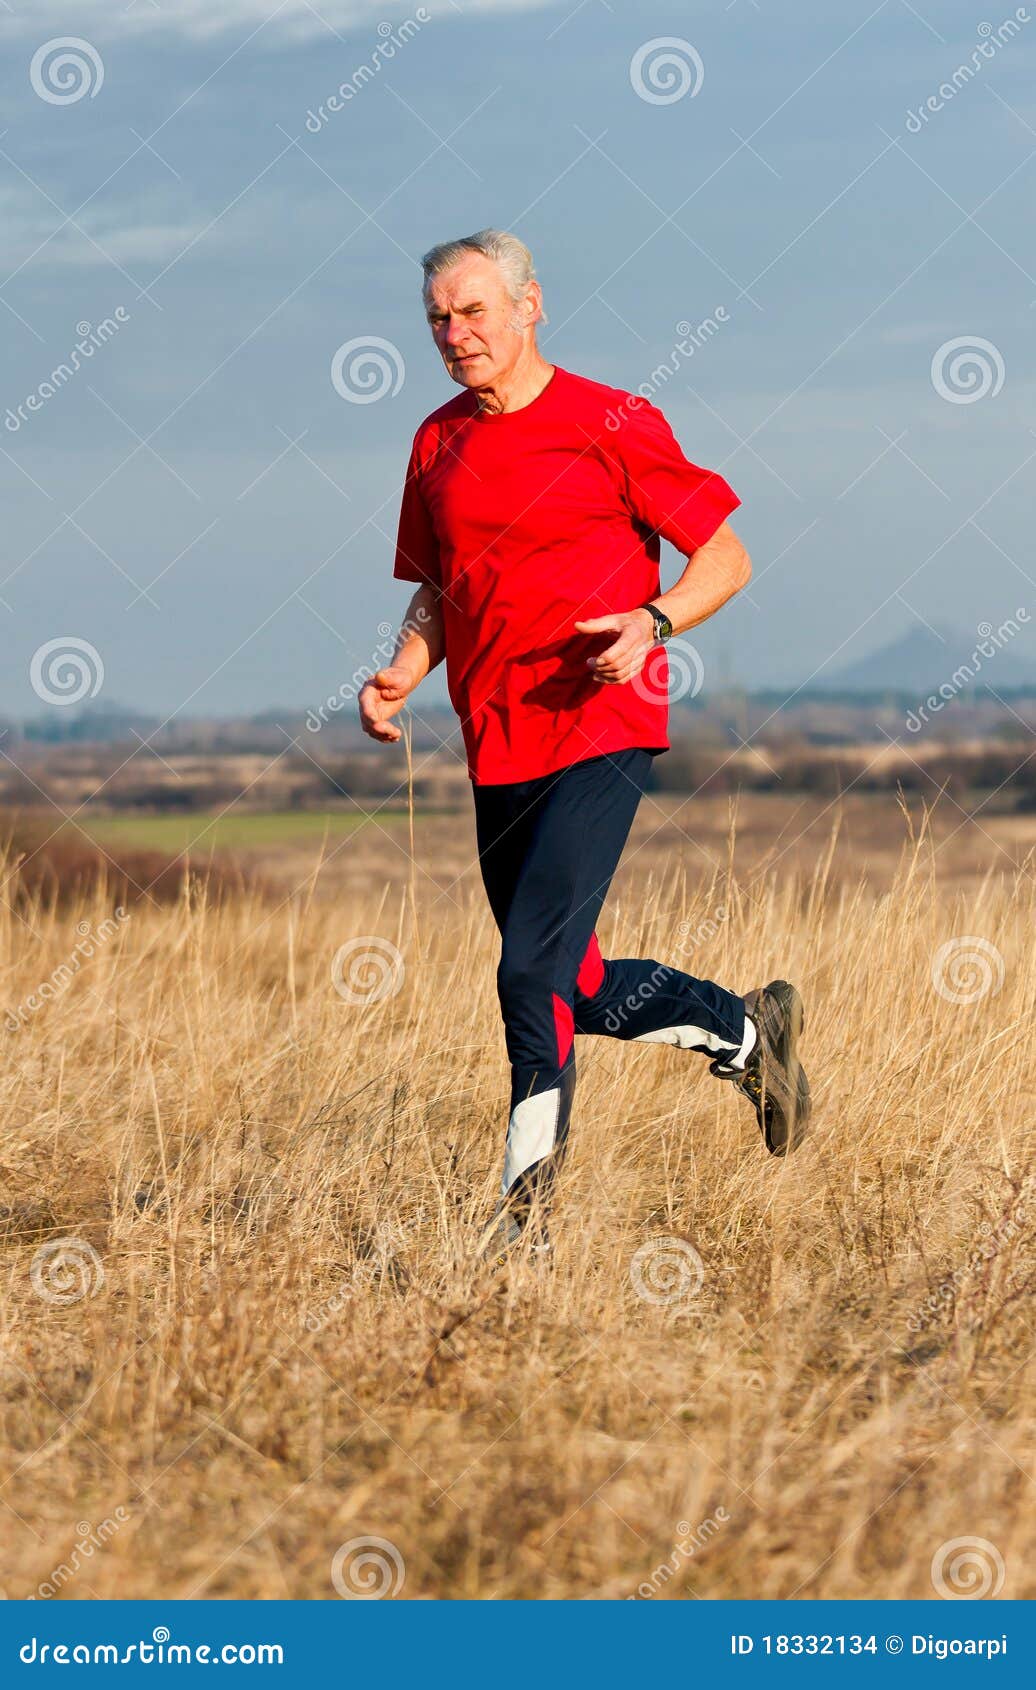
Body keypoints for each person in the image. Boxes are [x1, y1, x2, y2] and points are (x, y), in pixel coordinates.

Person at [359, 228, 810, 1256]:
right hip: (495, 739)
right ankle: (747, 1030)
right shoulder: (436, 442)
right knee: (572, 976)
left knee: (527, 978)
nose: (453, 332)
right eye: (437, 317)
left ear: (530, 306)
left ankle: (522, 1224)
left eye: (472, 310)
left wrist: (651, 621)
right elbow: (439, 587)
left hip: (603, 725)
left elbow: (725, 555)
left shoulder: (611, 420)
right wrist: (401, 669)